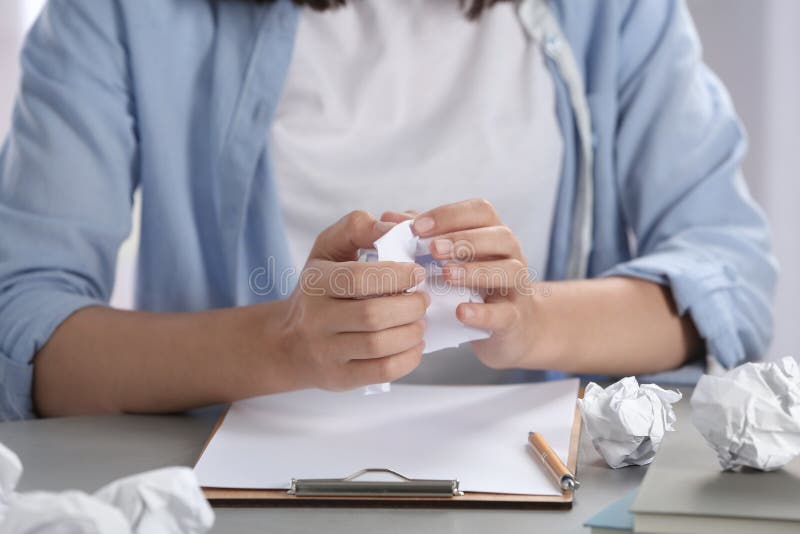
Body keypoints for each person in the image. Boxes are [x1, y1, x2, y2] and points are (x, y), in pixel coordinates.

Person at [0, 0, 776, 421]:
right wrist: (281, 344)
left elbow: (727, 279)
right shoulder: (118, 14)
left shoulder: (614, 13)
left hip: (550, 492)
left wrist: (531, 319)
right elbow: (24, 329)